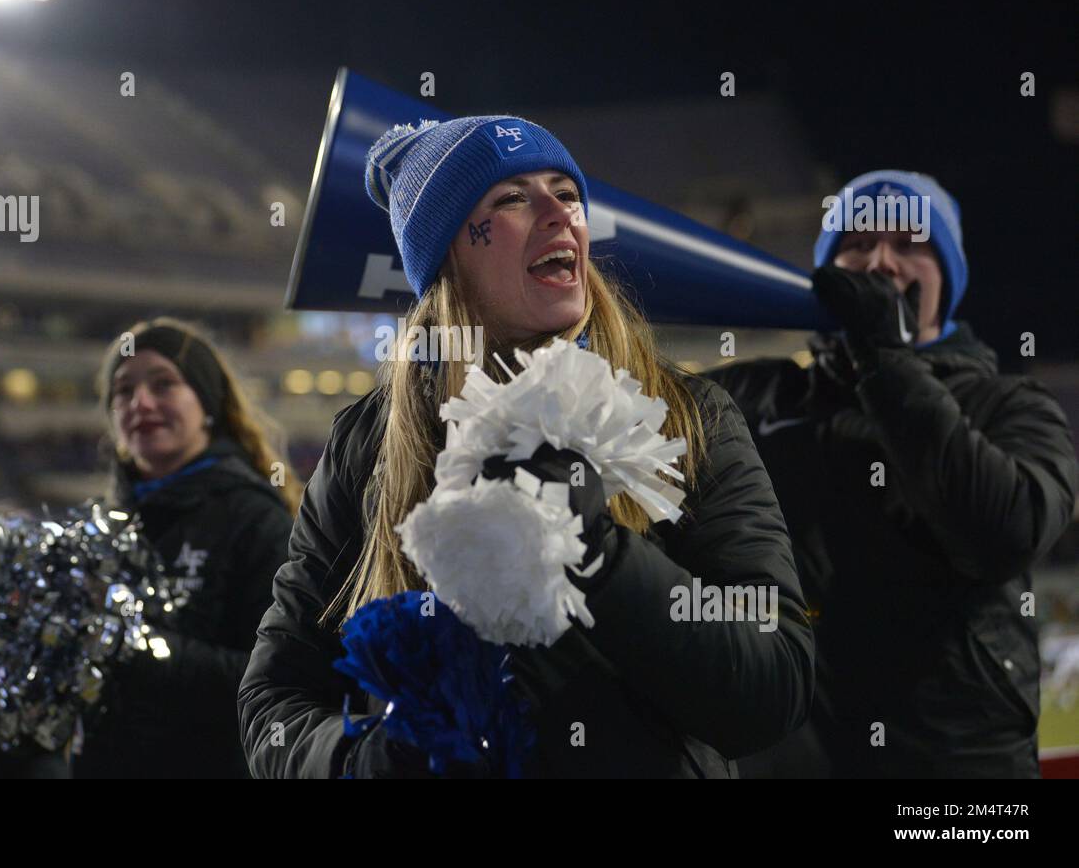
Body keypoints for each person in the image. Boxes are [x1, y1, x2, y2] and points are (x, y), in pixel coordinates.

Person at [238, 116, 814, 777]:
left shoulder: (686, 417)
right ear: (447, 253)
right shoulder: (369, 442)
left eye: (567, 193)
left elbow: (774, 685)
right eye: (510, 198)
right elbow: (273, 701)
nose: (556, 213)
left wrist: (597, 552)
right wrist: (365, 760)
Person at [709, 170, 1079, 778]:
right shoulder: (764, 394)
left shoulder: (1012, 405)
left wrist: (884, 359)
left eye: (909, 243)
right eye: (855, 244)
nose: (880, 262)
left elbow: (1002, 535)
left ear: (949, 277)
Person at [74, 316, 300, 778]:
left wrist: (138, 647)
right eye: (124, 391)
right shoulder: (100, 529)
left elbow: (275, 678)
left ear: (208, 404)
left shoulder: (254, 517)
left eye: (163, 384)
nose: (141, 403)